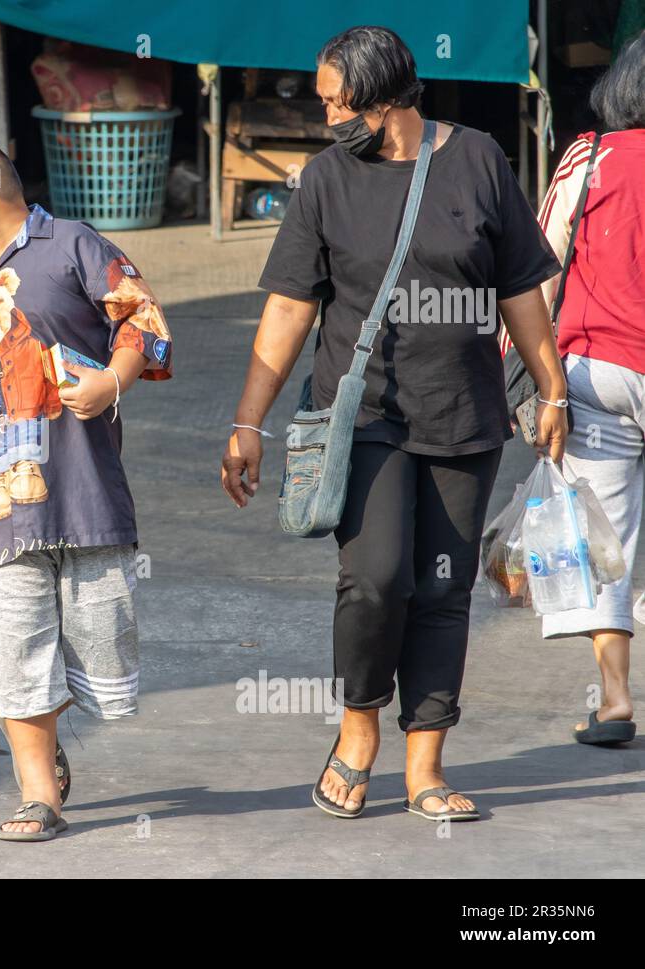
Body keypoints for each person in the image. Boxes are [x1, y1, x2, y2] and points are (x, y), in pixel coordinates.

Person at [221, 26, 567, 822]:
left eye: (336, 103)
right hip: (364, 413)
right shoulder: (325, 180)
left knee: (442, 589)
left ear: (384, 102)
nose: (325, 116)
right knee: (376, 578)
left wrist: (550, 387)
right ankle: (357, 730)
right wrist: (249, 419)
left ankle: (426, 762)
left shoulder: (478, 159)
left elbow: (519, 288)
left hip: (464, 413)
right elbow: (288, 306)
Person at [0, 133, 172, 841]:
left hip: (84, 494)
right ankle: (37, 791)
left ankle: (45, 728)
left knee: (101, 641)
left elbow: (142, 318)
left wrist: (114, 379)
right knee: (19, 644)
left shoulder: (75, 245)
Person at [504, 31, 645, 745]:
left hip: (598, 373)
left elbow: (539, 263)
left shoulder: (590, 157)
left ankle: (616, 702)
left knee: (606, 539)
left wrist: (524, 367)